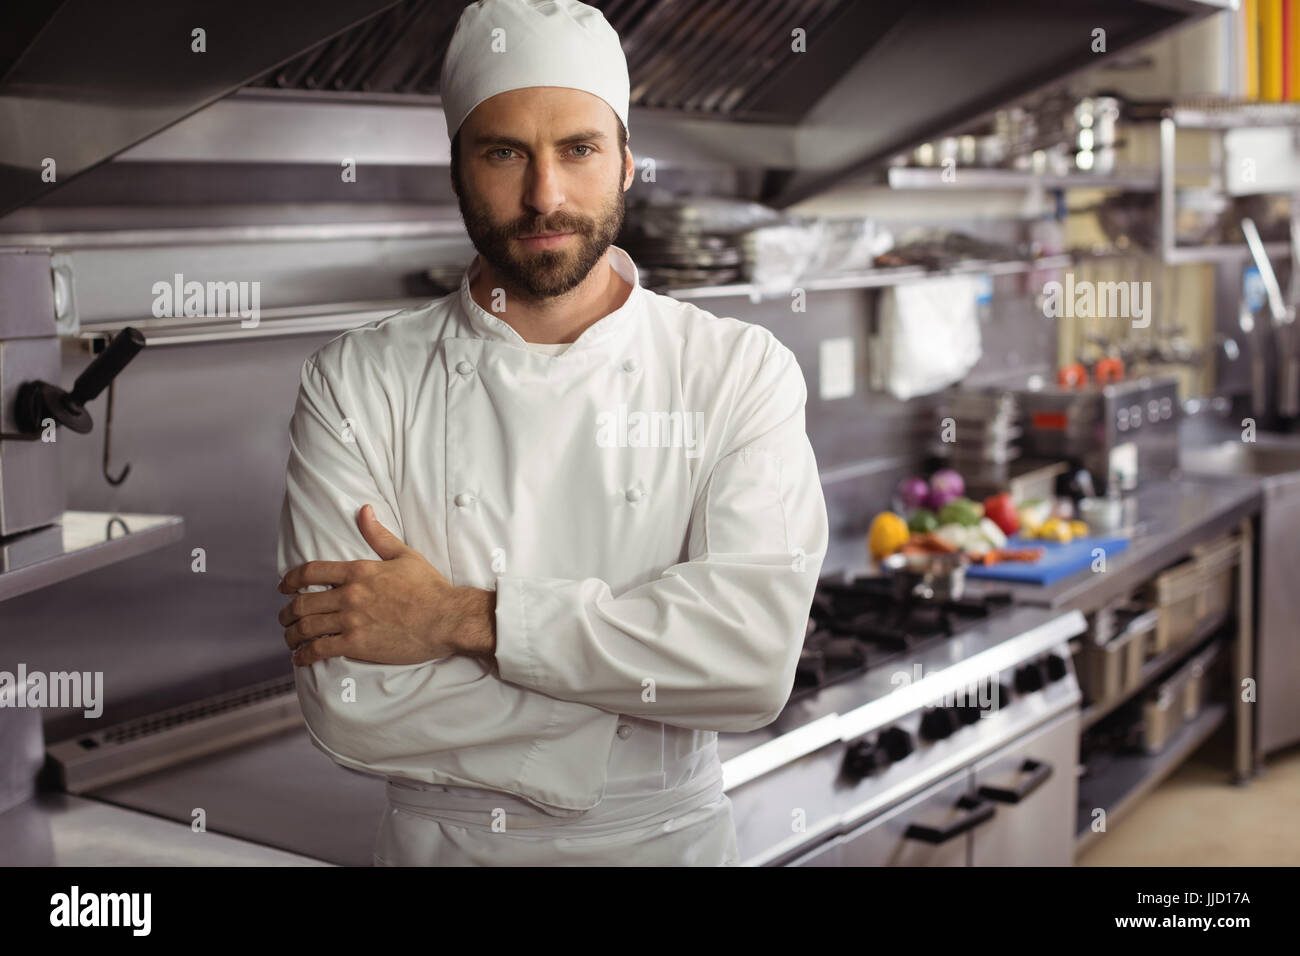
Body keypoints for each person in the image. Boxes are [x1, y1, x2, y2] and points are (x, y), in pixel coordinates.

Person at [274, 0, 828, 866]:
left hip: (665, 847)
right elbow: (350, 702)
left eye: (578, 149)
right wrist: (634, 695)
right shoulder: (358, 381)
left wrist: (460, 620)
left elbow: (752, 664)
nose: (545, 196)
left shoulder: (736, 370)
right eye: (504, 152)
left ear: (626, 164)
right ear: (457, 167)